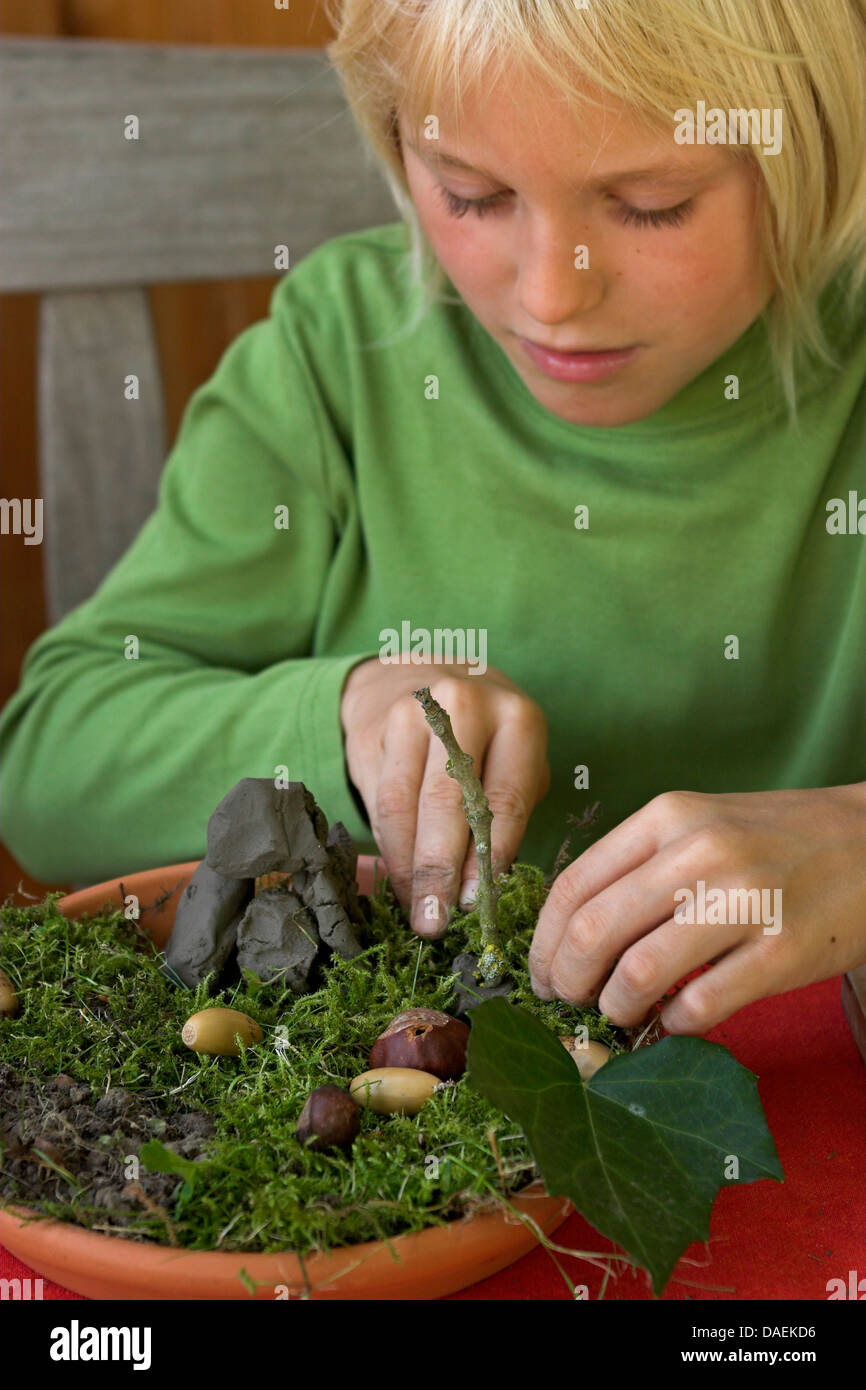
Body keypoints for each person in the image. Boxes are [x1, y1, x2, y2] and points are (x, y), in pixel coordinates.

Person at [1, 0, 864, 1036]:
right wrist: (346, 719)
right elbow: (48, 767)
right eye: (472, 194)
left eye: (649, 203)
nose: (551, 297)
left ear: (815, 139)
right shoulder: (336, 357)